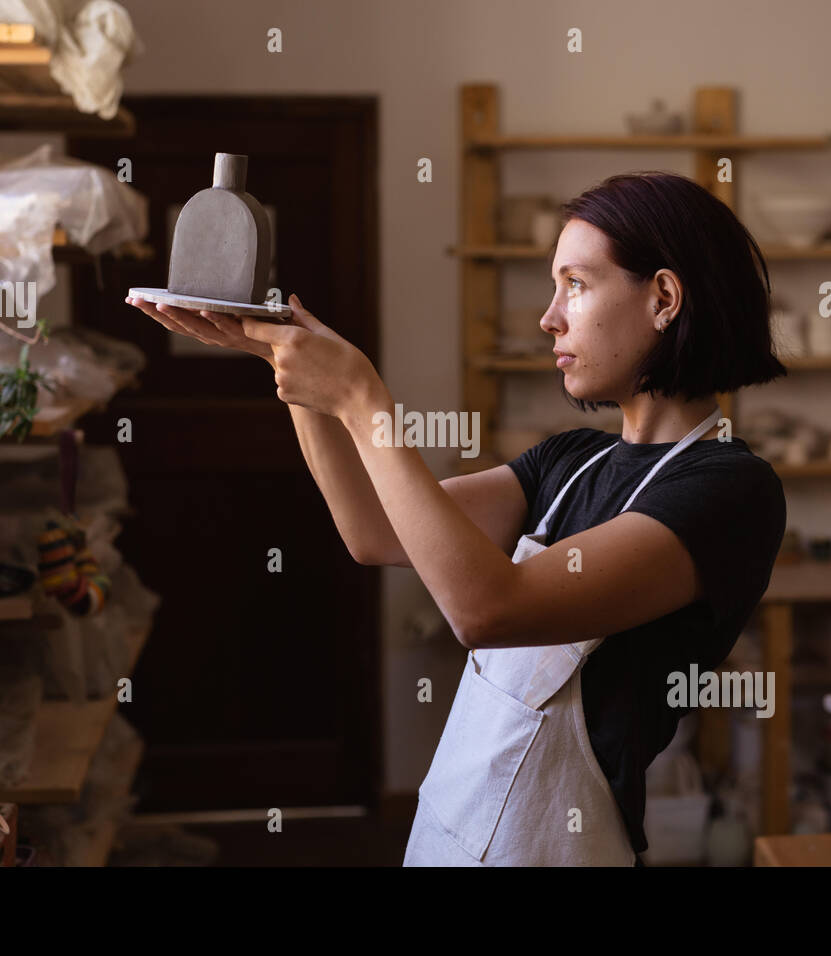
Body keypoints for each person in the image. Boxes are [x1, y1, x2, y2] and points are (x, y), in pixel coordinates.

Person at [126, 170, 787, 866]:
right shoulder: (571, 463)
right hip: (448, 837)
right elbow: (373, 532)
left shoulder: (728, 491)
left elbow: (486, 609)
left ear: (663, 298)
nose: (549, 317)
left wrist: (363, 401)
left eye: (576, 285)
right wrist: (288, 364)